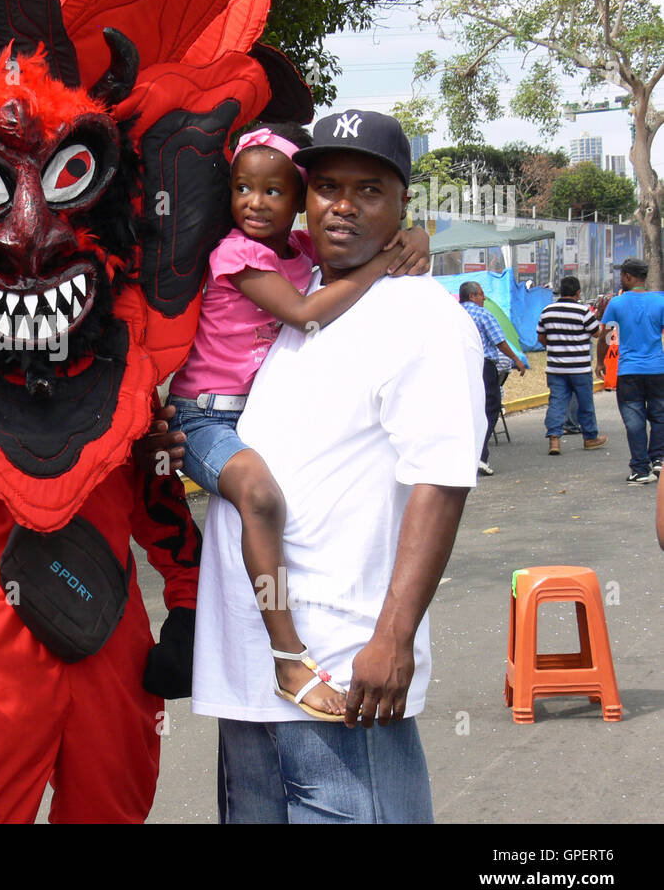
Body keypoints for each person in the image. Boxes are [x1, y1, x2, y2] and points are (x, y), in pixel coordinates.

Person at [188, 109, 486, 824]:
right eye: (325, 187)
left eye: (368, 191)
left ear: (403, 205)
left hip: (343, 668)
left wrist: (393, 638)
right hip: (250, 673)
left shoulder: (423, 319)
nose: (342, 206)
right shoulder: (297, 305)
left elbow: (440, 481)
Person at [166, 122, 429, 719]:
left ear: (301, 201)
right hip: (205, 418)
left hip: (246, 416)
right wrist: (386, 260)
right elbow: (308, 313)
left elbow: (349, 259)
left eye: (274, 193)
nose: (254, 204)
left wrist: (413, 235)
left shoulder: (304, 251)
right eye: (241, 189)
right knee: (260, 498)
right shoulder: (238, 253)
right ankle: (288, 657)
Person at [596, 257, 664, 484]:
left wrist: (600, 362)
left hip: (629, 372)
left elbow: (606, 337)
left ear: (627, 276)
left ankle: (640, 469)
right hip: (657, 370)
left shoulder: (617, 304)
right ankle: (658, 460)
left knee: (634, 421)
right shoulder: (660, 301)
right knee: (660, 417)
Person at [459, 281, 527, 476]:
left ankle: (463, 455)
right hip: (483, 365)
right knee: (490, 406)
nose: (483, 298)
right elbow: (499, 341)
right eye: (481, 295)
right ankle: (480, 454)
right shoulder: (483, 314)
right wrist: (516, 359)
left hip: (458, 366)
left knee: (465, 409)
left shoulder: (452, 313)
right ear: (472, 296)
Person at [537, 276, 605, 455]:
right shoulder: (583, 311)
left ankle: (554, 440)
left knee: (557, 403)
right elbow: (597, 334)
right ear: (577, 292)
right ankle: (590, 437)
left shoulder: (547, 311)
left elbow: (541, 338)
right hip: (580, 368)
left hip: (556, 368)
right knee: (585, 403)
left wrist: (555, 347)